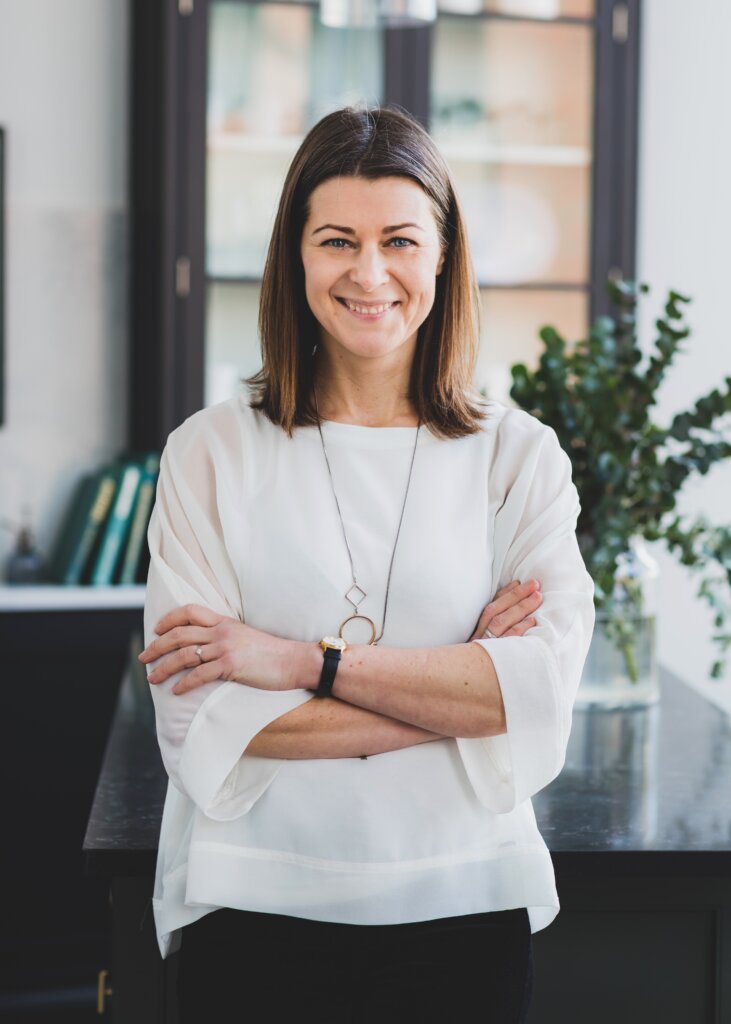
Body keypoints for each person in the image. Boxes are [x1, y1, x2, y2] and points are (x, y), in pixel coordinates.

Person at [138, 104, 595, 1023]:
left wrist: (302, 664)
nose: (369, 272)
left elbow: (541, 689)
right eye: (336, 240)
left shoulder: (519, 457)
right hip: (255, 904)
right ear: (295, 255)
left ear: (441, 255)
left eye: (399, 240)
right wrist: (459, 690)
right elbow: (201, 715)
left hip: (464, 904)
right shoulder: (210, 452)